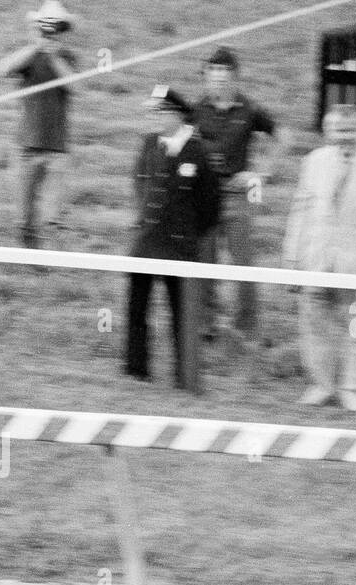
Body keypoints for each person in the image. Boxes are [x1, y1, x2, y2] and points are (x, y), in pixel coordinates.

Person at [282, 104, 356, 413]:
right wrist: (292, 257)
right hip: (317, 257)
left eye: (350, 131)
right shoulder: (313, 161)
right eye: (338, 130)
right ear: (327, 132)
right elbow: (301, 209)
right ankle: (321, 386)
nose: (344, 137)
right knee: (313, 326)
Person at [125, 87, 220, 389]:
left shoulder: (199, 152)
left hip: (179, 247)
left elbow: (210, 205)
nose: (154, 117)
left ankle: (184, 373)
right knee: (137, 309)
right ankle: (136, 370)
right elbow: (139, 184)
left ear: (176, 114)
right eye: (153, 112)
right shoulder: (149, 144)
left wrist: (188, 235)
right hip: (145, 241)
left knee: (181, 313)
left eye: (160, 111)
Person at [191, 47, 285, 342]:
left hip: (237, 195)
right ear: (205, 76)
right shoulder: (197, 110)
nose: (218, 78)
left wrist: (262, 173)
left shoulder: (250, 109)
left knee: (243, 261)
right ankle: (206, 323)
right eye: (213, 72)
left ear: (235, 76)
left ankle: (247, 329)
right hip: (204, 195)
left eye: (224, 72)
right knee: (203, 261)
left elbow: (283, 136)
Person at [0, 1, 80, 249]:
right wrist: (36, 47)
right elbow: (1, 70)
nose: (51, 34)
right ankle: (29, 260)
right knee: (24, 217)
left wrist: (53, 56)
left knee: (53, 218)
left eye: (55, 30)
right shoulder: (28, 56)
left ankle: (55, 261)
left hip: (57, 148)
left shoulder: (68, 58)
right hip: (26, 145)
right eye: (46, 29)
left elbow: (76, 86)